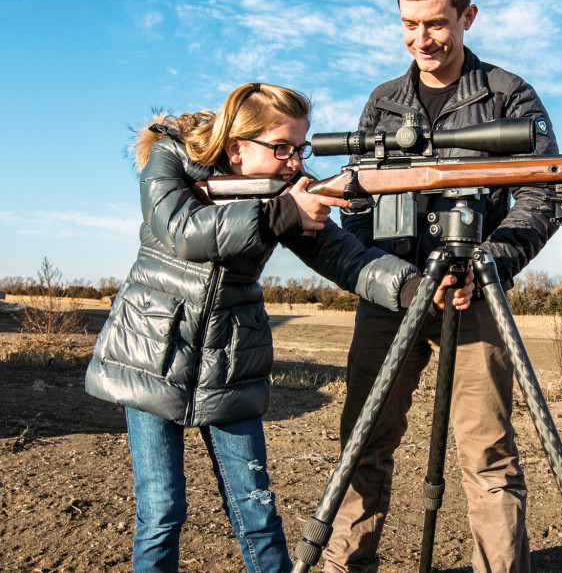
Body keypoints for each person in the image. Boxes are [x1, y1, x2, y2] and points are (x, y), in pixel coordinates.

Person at [84, 82, 473, 573]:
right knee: (162, 511)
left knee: (257, 510)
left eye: (300, 149)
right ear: (236, 149)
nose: (294, 163)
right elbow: (184, 232)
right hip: (152, 354)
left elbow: (343, 256)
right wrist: (281, 214)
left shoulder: (286, 192)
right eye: (282, 149)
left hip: (232, 360)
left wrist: (415, 288)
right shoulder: (171, 159)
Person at [324, 0, 559, 573]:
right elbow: (356, 202)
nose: (422, 39)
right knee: (362, 444)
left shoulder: (508, 95)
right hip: (389, 299)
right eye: (409, 25)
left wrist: (489, 262)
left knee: (488, 456)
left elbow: (541, 193)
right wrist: (393, 280)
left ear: (467, 16)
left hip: (476, 296)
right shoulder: (383, 102)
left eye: (435, 23)